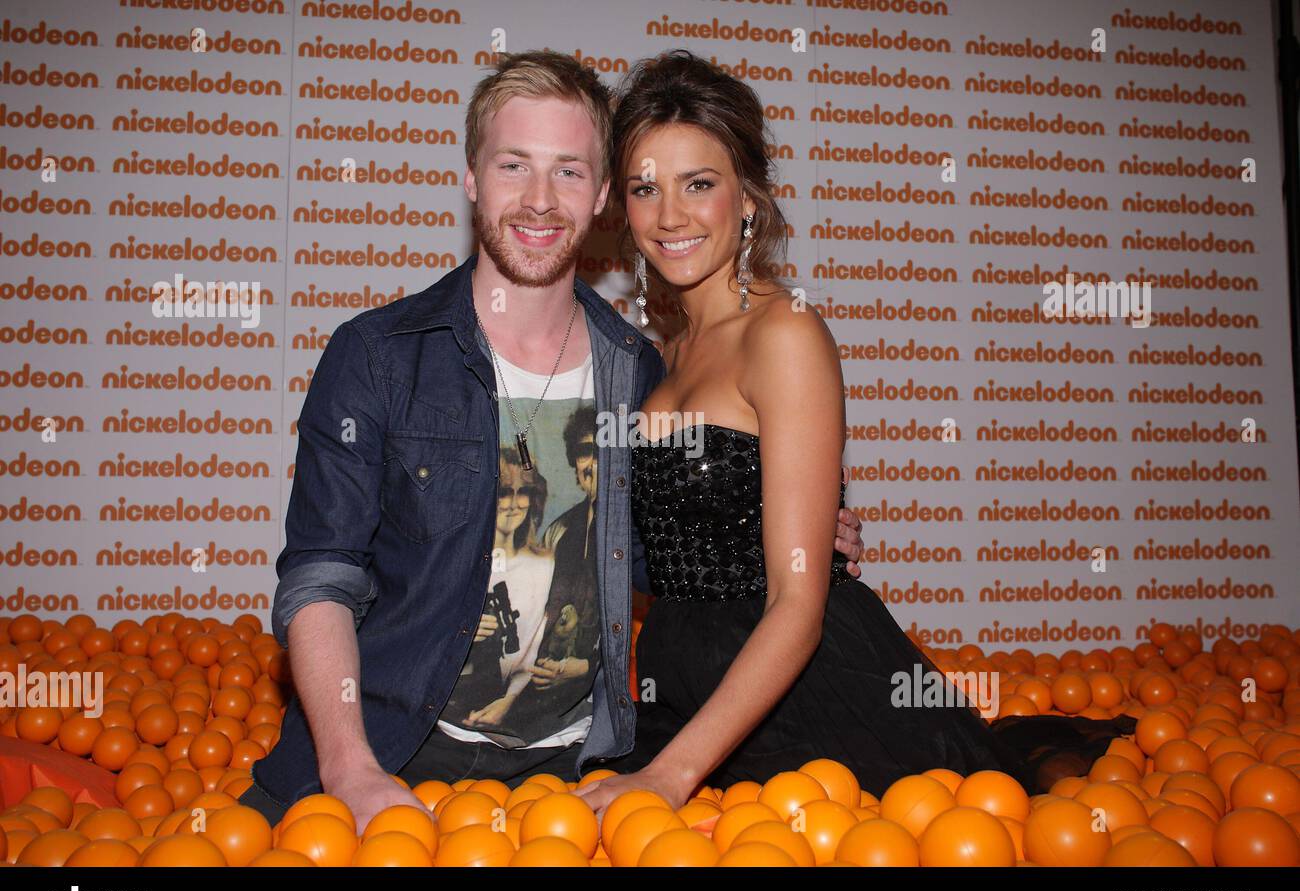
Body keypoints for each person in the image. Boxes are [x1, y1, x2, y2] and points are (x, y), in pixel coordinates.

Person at [238, 50, 866, 831]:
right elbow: (320, 576)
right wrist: (350, 769)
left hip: (572, 773)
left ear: (599, 196)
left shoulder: (636, 372)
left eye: (568, 172)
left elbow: (655, 549)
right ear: (471, 178)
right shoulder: (379, 356)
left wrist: (777, 526)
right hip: (390, 750)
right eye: (514, 166)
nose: (539, 201)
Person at [576, 51, 1133, 812]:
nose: (670, 216)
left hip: (800, 691)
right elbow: (660, 544)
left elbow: (797, 602)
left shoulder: (786, 334)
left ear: (747, 198)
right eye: (646, 188)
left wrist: (671, 775)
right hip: (676, 684)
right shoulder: (656, 357)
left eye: (698, 184)